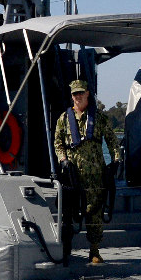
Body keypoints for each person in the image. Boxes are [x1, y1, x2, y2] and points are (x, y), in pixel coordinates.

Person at [53, 79, 121, 264]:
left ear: (87, 94)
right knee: (68, 213)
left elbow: (113, 141)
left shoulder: (99, 118)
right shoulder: (64, 119)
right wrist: (63, 160)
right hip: (73, 175)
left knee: (95, 212)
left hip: (95, 175)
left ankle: (94, 250)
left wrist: (116, 160)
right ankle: (66, 249)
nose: (78, 96)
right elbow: (58, 143)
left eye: (81, 92)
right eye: (75, 93)